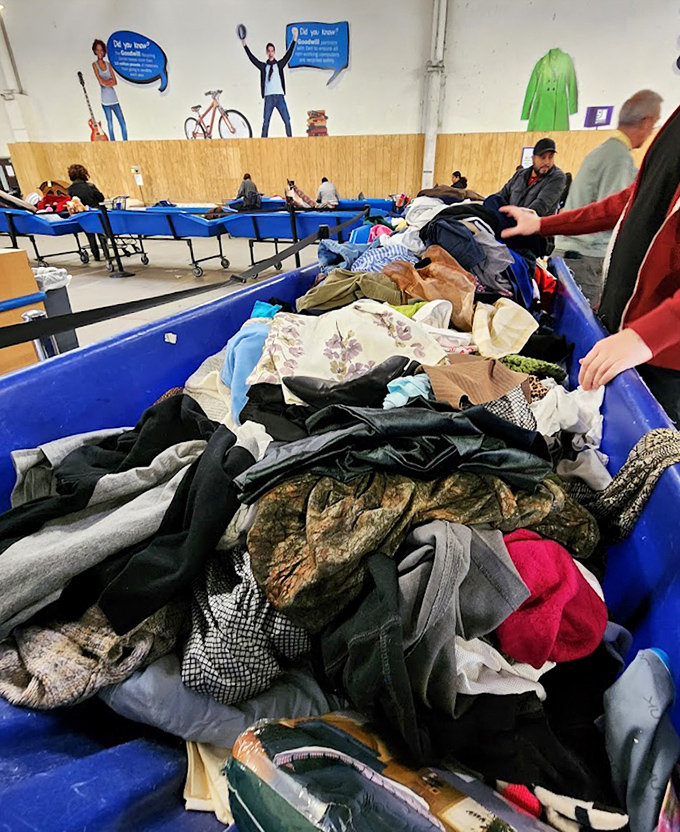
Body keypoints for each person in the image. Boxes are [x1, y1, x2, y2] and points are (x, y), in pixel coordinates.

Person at [499, 103, 680, 425]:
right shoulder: (673, 127)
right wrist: (544, 224)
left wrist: (646, 336)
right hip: (625, 330)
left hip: (662, 354)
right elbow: (632, 202)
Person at [555, 90, 662, 306]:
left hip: (569, 255)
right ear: (645, 122)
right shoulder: (618, 159)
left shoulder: (601, 152)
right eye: (653, 125)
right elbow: (613, 217)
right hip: (586, 260)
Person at [241, 28, 298, 138]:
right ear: (267, 52)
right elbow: (252, 58)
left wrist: (294, 39)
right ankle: (263, 141)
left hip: (279, 96)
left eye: (272, 51)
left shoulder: (279, 65)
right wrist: (244, 44)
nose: (271, 53)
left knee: (287, 120)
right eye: (269, 51)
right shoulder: (264, 67)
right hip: (269, 97)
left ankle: (291, 140)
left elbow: (288, 54)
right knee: (266, 121)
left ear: (274, 52)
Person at [495, 138, 566, 216]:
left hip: (534, 225)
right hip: (509, 221)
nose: (547, 162)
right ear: (533, 158)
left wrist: (516, 215)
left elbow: (541, 206)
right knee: (491, 200)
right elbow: (501, 195)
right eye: (542, 157)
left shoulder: (557, 178)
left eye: (550, 157)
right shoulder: (520, 175)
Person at [67, 164, 107, 261]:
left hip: (82, 214)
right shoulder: (90, 186)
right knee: (101, 233)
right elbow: (101, 198)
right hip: (95, 212)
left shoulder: (70, 189)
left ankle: (96, 255)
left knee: (90, 235)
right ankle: (107, 254)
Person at [91, 39, 127, 141]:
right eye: (97, 50)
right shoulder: (95, 65)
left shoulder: (108, 65)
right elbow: (100, 81)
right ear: (94, 51)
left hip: (114, 98)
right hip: (105, 100)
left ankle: (126, 141)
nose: (100, 52)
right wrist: (108, 81)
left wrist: (107, 82)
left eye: (101, 50)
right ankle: (113, 143)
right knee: (110, 123)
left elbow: (115, 82)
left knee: (122, 122)